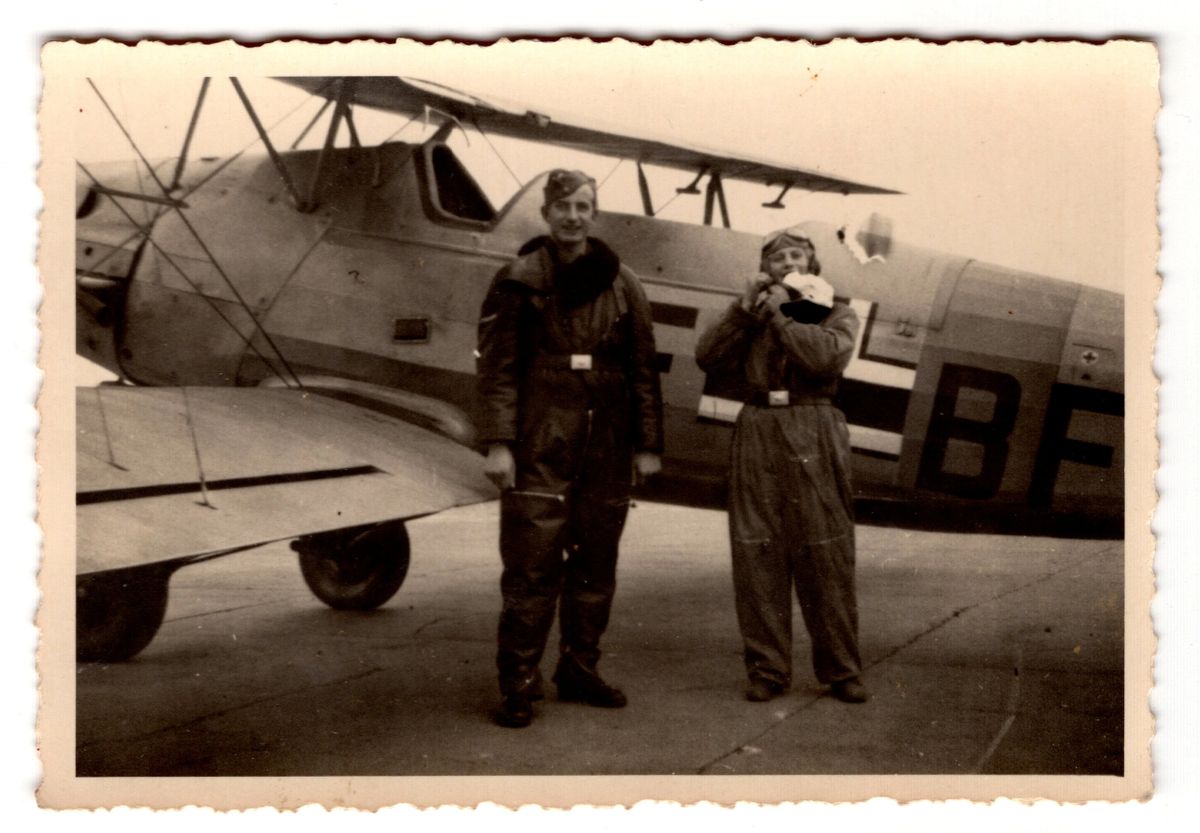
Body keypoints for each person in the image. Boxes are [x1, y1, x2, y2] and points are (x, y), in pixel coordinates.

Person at [476, 169, 664, 728]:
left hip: (608, 440)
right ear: (546, 213)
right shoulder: (518, 279)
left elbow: (642, 369)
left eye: (583, 206)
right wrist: (499, 443)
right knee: (531, 565)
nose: (573, 217)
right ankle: (518, 682)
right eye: (563, 206)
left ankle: (579, 669)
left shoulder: (623, 283)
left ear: (594, 214)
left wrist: (647, 445)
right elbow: (497, 370)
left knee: (596, 565)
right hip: (541, 438)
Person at [695, 227, 869, 705]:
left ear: (812, 265)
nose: (789, 263)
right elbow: (707, 357)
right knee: (757, 551)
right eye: (778, 258)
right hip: (758, 425)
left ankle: (841, 670)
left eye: (798, 256)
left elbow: (823, 359)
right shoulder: (751, 316)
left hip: (814, 424)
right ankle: (768, 670)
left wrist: (779, 315)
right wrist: (743, 310)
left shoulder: (838, 313)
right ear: (765, 269)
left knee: (825, 551)